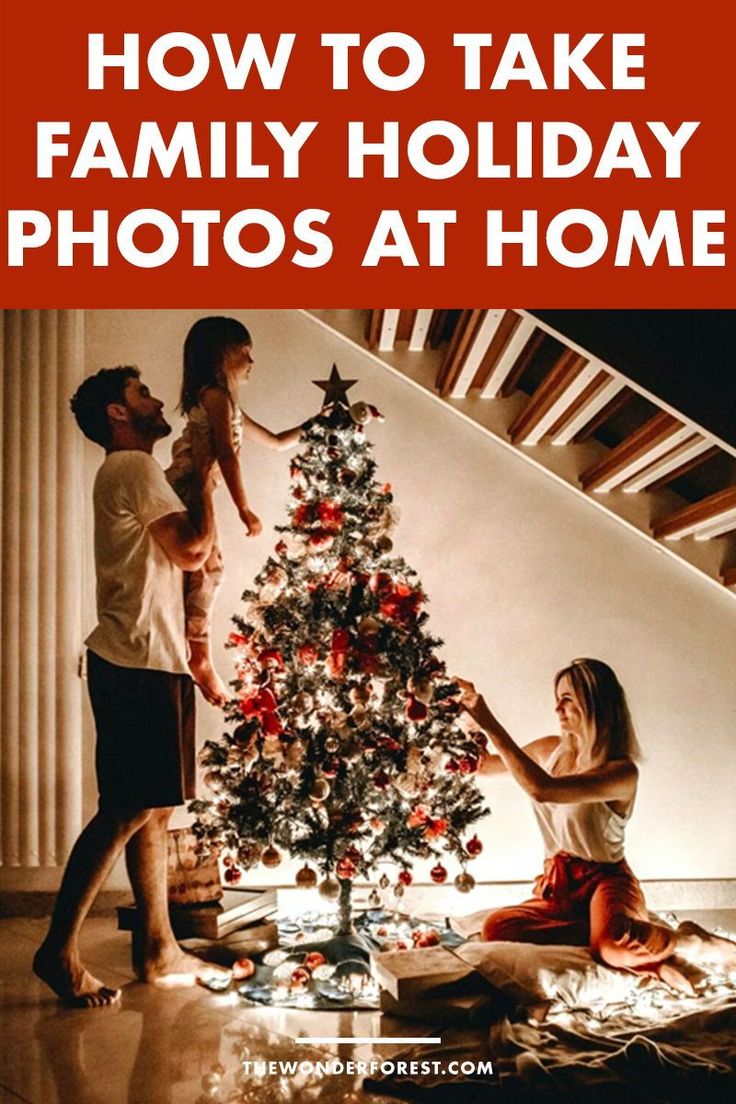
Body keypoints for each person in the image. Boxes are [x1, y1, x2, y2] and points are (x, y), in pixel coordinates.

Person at [34, 366, 227, 1007]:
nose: (153, 401)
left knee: (153, 804)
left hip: (155, 657)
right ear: (119, 414)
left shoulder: (134, 476)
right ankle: (58, 950)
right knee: (125, 805)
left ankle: (157, 946)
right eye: (141, 394)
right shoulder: (131, 469)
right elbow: (194, 550)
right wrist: (203, 472)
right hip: (136, 658)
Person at [456, 658, 736, 994]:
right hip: (559, 884)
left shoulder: (620, 772)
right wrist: (470, 720)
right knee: (498, 927)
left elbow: (543, 790)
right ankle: (628, 943)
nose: (557, 706)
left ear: (596, 703)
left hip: (606, 880)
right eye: (557, 697)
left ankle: (686, 939)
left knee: (613, 946)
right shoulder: (550, 750)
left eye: (568, 698)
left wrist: (490, 722)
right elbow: (484, 767)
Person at [165, 316, 310, 706]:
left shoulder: (228, 406)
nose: (251, 362)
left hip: (195, 490)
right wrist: (244, 509)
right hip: (186, 488)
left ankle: (195, 652)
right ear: (222, 356)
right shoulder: (215, 396)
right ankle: (198, 656)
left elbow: (278, 442)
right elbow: (225, 456)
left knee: (205, 571)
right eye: (245, 352)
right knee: (208, 569)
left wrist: (318, 423)